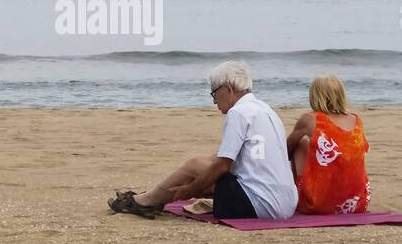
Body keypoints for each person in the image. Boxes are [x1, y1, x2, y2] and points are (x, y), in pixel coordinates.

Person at [109, 61, 298, 220]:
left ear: (228, 89)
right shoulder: (266, 111)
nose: (215, 101)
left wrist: (190, 189)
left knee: (196, 164)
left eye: (215, 94)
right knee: (208, 163)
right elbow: (226, 160)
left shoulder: (238, 113)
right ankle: (150, 197)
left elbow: (222, 166)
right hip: (286, 204)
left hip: (261, 206)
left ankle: (145, 201)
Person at [287, 73, 370, 215]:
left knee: (301, 143)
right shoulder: (356, 120)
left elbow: (286, 149)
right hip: (358, 203)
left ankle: (293, 196)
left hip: (319, 205)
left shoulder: (310, 119)